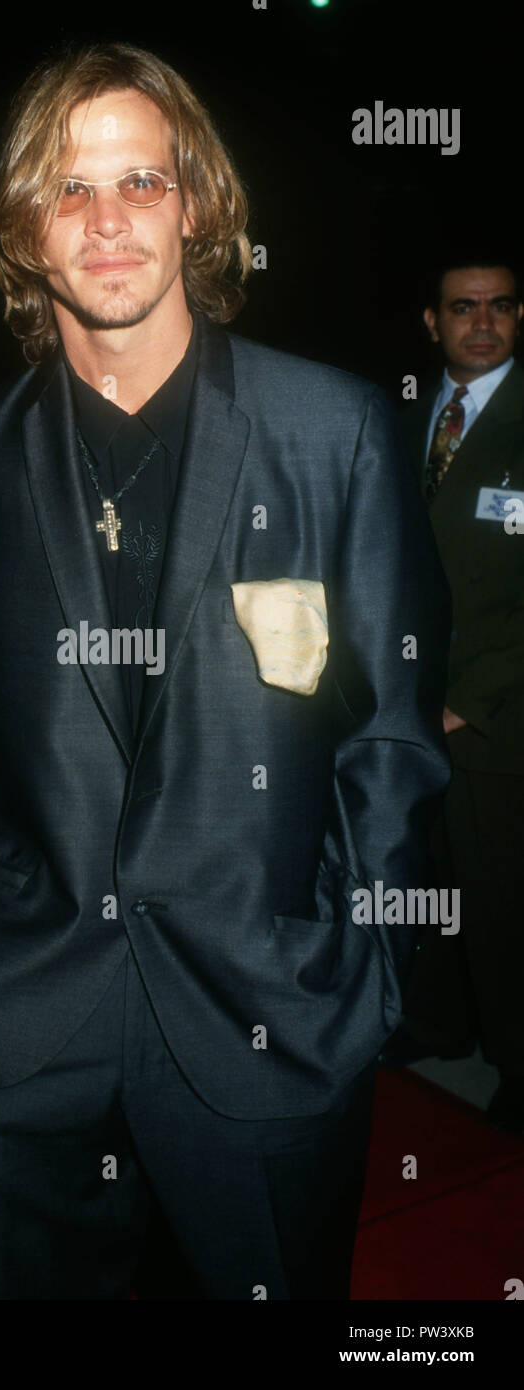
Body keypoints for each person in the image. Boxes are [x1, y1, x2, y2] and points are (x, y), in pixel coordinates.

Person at [0, 43, 451, 1300]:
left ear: (193, 204)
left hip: (269, 1021)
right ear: (24, 230)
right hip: (16, 1034)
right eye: (68, 189)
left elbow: (391, 741)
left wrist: (359, 982)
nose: (106, 224)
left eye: (140, 183)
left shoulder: (334, 430)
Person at [383, 260, 524, 1134]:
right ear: (430, 322)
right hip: (402, 712)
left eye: (502, 307)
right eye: (463, 308)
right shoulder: (396, 420)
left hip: (497, 721)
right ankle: (436, 1022)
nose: (483, 324)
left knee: (504, 896)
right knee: (427, 883)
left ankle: (518, 1063)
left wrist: (468, 699)